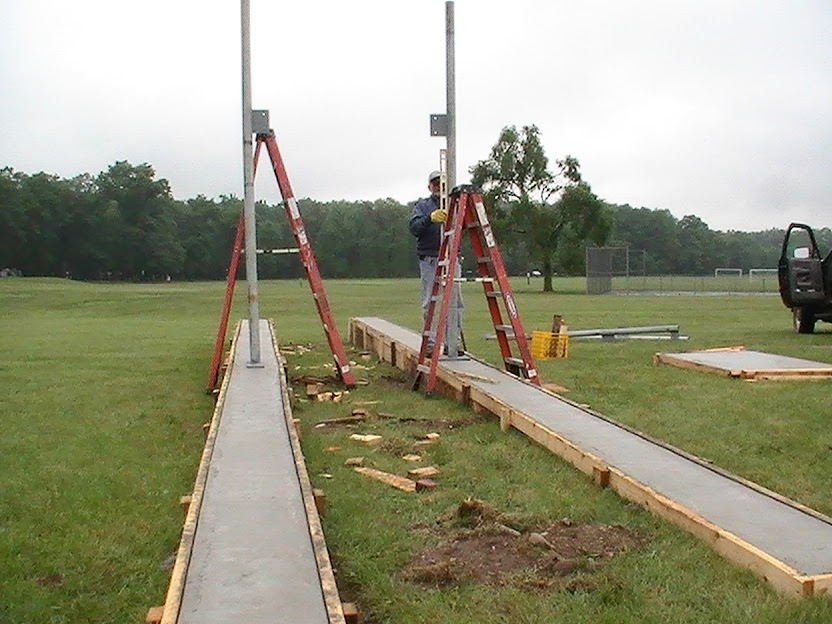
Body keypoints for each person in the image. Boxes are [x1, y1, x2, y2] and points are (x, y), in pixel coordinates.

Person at [408, 170, 463, 355]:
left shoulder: (455, 205)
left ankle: (452, 344)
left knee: (455, 303)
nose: (439, 186)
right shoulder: (423, 206)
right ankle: (430, 344)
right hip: (430, 259)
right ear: (429, 186)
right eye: (435, 183)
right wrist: (430, 218)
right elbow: (414, 228)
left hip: (452, 258)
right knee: (429, 302)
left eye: (442, 183)